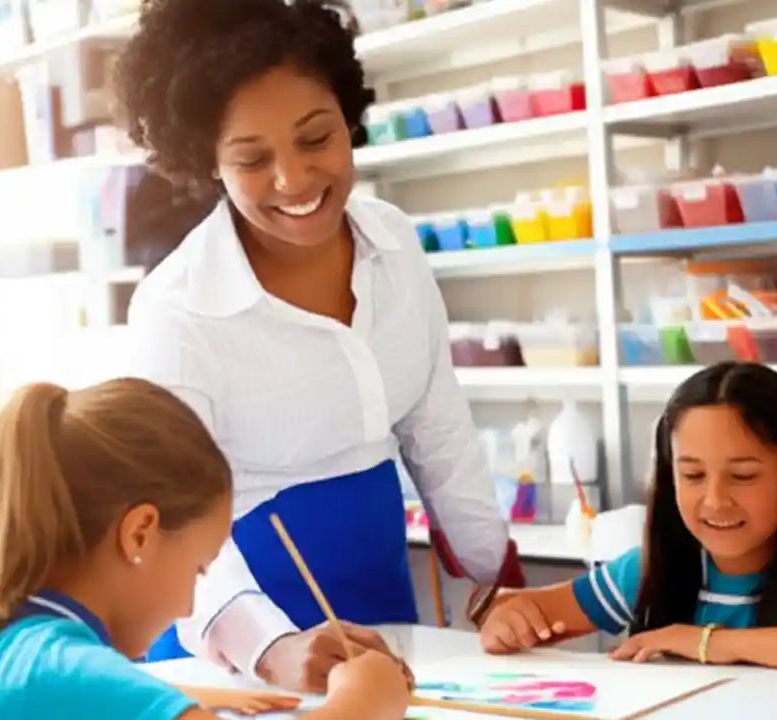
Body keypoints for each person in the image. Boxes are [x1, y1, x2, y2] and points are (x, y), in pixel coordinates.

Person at [115, 0, 526, 693]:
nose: (295, 179)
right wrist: (268, 646)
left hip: (377, 602)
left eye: (316, 138)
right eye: (253, 159)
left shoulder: (394, 245)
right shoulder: (177, 310)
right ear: (208, 161)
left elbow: (439, 431)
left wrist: (496, 582)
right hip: (230, 638)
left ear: (348, 116)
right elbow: (170, 517)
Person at [0, 378, 410, 720]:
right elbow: (83, 690)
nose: (189, 605)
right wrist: (363, 702)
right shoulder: (64, 673)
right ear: (139, 534)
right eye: (198, 571)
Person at [478, 362, 777, 675]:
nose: (715, 500)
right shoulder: (665, 560)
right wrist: (509, 618)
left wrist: (711, 643)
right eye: (693, 475)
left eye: (743, 476)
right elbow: (527, 610)